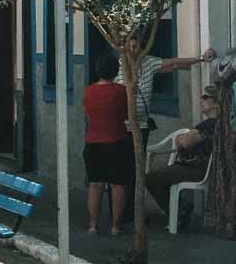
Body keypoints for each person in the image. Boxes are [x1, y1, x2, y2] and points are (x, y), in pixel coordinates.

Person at [115, 32, 215, 222]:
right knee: (122, 171)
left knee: (136, 170)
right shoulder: (118, 67)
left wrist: (200, 59)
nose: (133, 50)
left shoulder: (149, 63)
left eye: (137, 46)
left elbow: (174, 63)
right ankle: (121, 213)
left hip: (141, 127)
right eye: (130, 46)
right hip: (120, 127)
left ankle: (133, 213)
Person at [146, 86, 220, 230]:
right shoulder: (209, 124)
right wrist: (185, 138)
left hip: (195, 168)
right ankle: (180, 209)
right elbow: (184, 140)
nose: (201, 100)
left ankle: (180, 211)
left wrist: (183, 139)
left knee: (151, 178)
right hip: (191, 166)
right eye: (201, 97)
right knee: (156, 177)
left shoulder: (211, 124)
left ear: (216, 103)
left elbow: (184, 141)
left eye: (205, 98)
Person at [82, 52, 132, 235]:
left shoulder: (89, 91)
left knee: (95, 185)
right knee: (118, 185)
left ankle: (93, 225)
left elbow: (88, 114)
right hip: (117, 142)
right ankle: (115, 226)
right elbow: (127, 114)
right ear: (115, 71)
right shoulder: (120, 91)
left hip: (93, 142)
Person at [208, 48, 236, 239]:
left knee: (225, 172)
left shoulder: (217, 67)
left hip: (225, 129)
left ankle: (226, 222)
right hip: (230, 129)